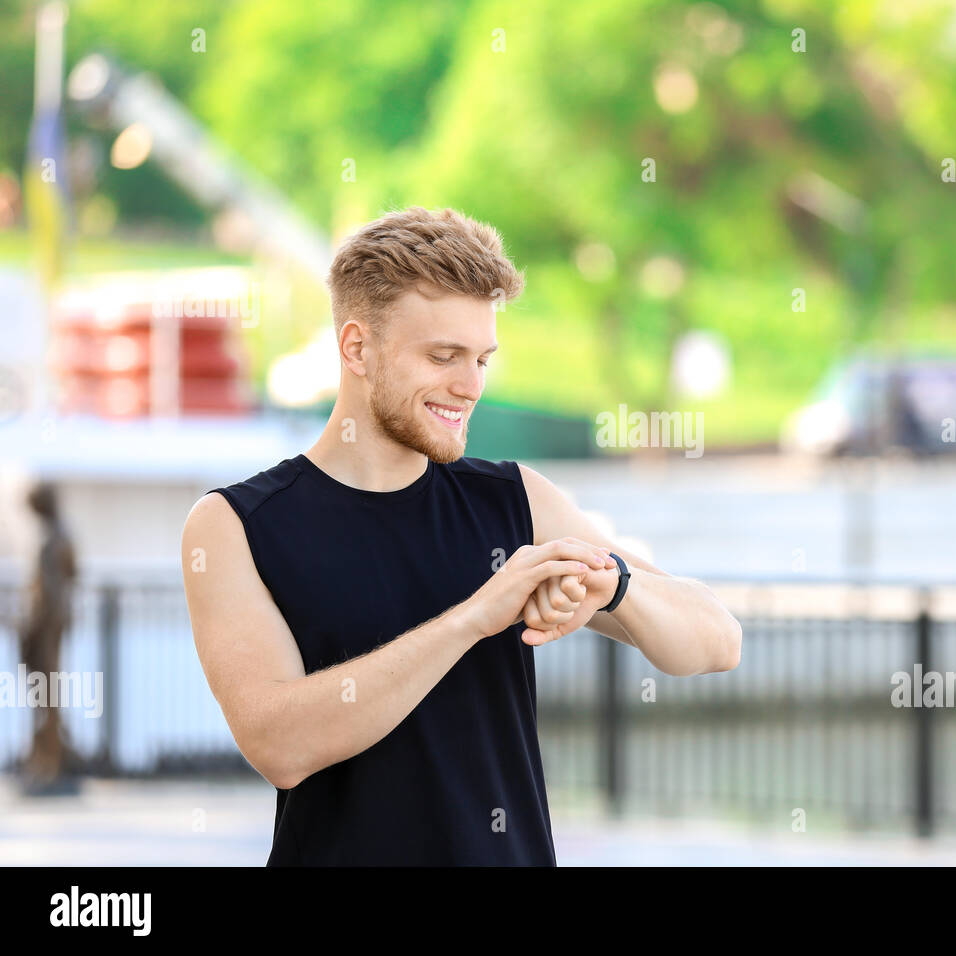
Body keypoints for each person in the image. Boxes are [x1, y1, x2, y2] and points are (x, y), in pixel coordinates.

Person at [180, 206, 742, 865]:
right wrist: (474, 617)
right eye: (443, 356)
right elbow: (279, 746)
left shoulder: (514, 499)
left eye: (481, 358)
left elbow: (717, 641)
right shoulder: (234, 526)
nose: (470, 385)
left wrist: (612, 587)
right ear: (356, 348)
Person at [18, 480, 79, 795]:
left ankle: (50, 765)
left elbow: (50, 590)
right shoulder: (60, 535)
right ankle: (45, 760)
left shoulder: (53, 539)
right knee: (46, 695)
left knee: (47, 696)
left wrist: (33, 623)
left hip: (47, 627)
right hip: (53, 625)